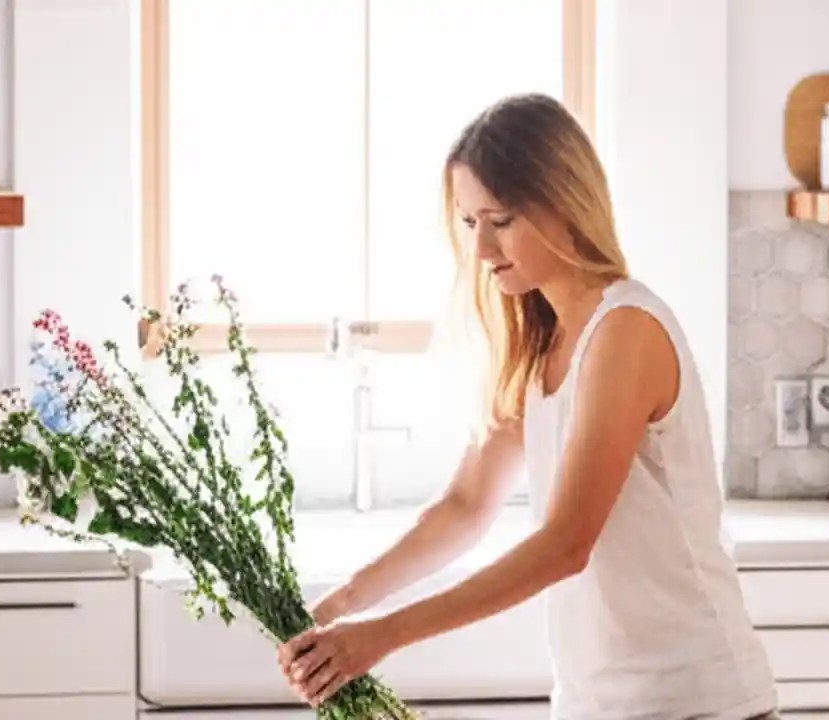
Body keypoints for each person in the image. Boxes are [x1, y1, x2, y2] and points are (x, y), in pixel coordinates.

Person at [276, 93, 779, 720]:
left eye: (501, 219)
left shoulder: (625, 330)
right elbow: (465, 506)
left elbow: (567, 543)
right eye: (469, 223)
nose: (482, 249)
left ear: (565, 202)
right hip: (597, 707)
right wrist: (339, 605)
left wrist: (380, 636)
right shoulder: (538, 348)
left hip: (697, 702)